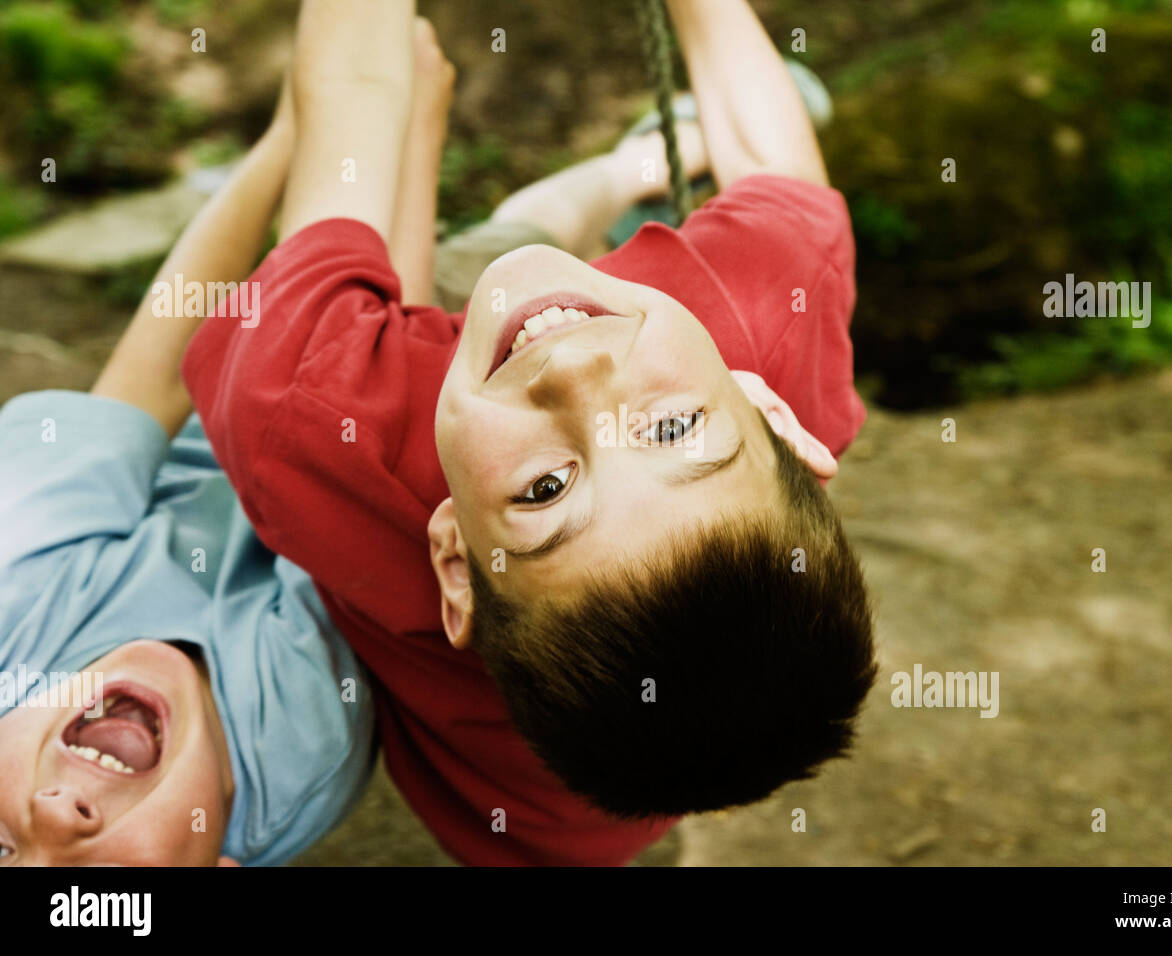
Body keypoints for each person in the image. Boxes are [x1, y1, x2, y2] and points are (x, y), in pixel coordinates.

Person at [184, 0, 877, 866]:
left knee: (463, 236)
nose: (574, 375)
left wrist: (402, 108)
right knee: (513, 253)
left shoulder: (308, 417)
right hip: (549, 333)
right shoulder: (768, 314)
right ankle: (629, 172)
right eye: (671, 430)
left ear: (453, 563)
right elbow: (780, 166)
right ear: (774, 415)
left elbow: (352, 92)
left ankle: (597, 175)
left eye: (546, 491)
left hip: (529, 826)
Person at [0, 71, 376, 867]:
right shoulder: (302, 739)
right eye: (98, 888)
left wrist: (295, 127)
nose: (57, 816)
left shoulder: (16, 605)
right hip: (363, 404)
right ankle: (627, 172)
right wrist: (375, 102)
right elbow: (364, 402)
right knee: (489, 253)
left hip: (213, 407)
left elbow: (160, 368)